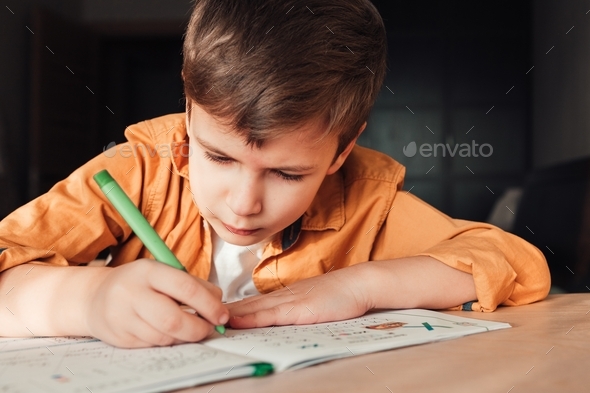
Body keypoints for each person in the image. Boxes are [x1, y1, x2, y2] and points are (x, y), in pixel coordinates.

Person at [0, 0, 550, 348]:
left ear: (341, 151)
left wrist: (359, 286)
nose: (243, 203)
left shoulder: (364, 196)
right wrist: (88, 301)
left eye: (287, 173)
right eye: (218, 157)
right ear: (189, 111)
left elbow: (516, 265)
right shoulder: (139, 169)